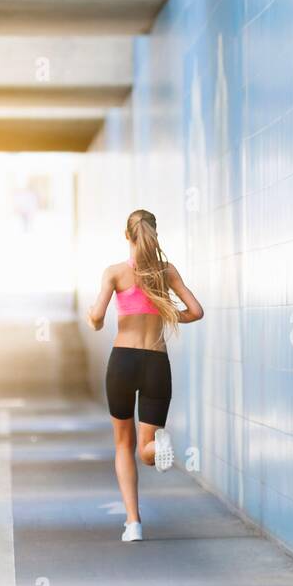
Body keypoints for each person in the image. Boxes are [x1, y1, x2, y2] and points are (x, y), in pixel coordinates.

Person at [86, 209, 204, 542]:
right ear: (153, 234)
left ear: (128, 235)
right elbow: (196, 311)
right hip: (156, 363)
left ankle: (133, 523)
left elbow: (96, 318)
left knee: (123, 444)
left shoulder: (115, 274)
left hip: (122, 362)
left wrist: (91, 318)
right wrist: (166, 311)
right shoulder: (167, 273)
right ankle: (158, 447)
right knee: (146, 450)